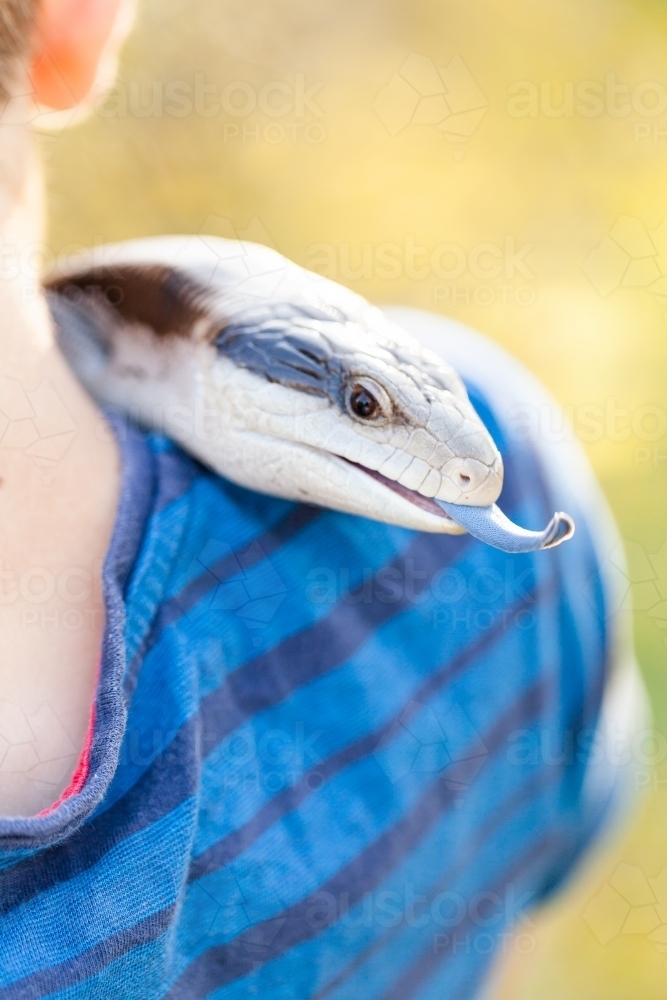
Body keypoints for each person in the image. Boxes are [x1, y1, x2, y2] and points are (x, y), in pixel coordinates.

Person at [0, 0, 647, 997]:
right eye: (359, 405)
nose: (476, 474)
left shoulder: (488, 477)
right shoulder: (501, 519)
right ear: (79, 21)